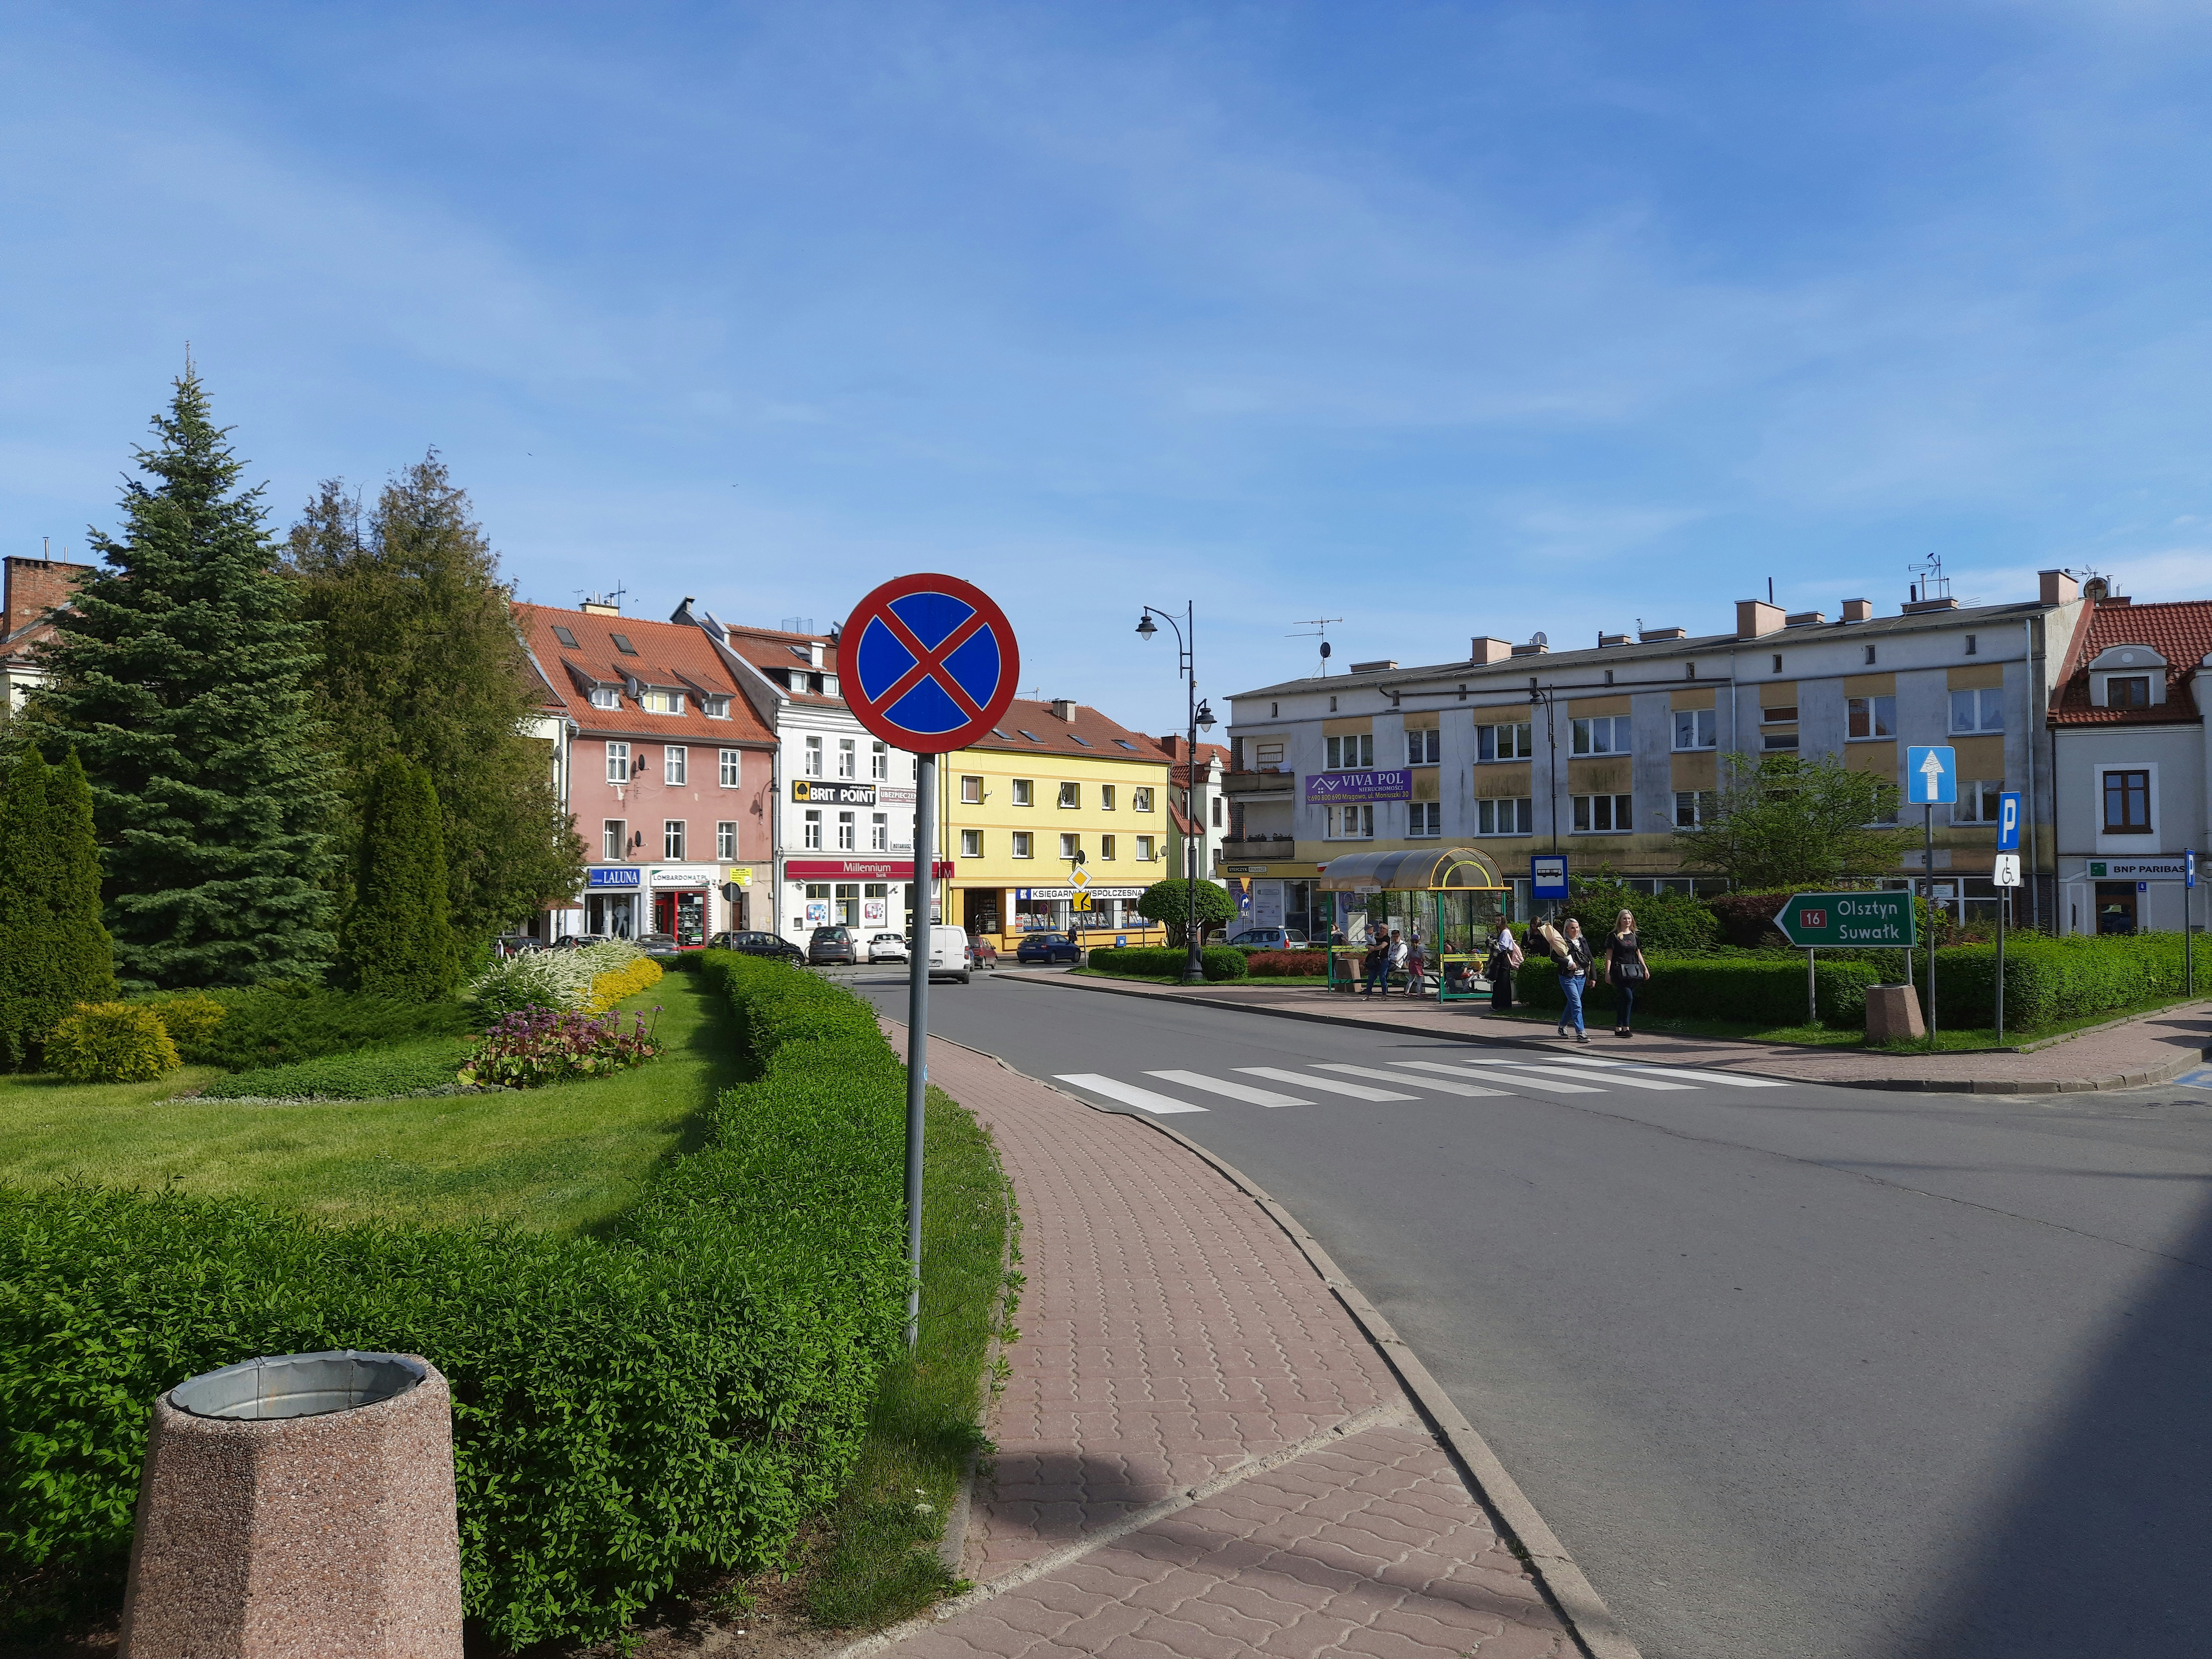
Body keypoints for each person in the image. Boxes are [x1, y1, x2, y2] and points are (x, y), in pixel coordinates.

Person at [1605, 908, 1652, 1037]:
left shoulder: (1634, 936)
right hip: (1619, 971)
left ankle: (1619, 1028)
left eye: (1629, 919)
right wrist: (1607, 973)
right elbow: (1609, 956)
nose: (1627, 921)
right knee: (1628, 998)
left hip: (1633, 971)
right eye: (1625, 919)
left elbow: (1638, 953)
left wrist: (1645, 968)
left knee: (1624, 999)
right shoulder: (1614, 936)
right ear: (1620, 920)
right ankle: (1626, 1027)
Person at [1554, 918, 1593, 1043]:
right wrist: (1568, 963)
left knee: (1573, 1003)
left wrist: (1593, 977)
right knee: (1577, 1004)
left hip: (1582, 977)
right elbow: (1554, 957)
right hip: (1568, 977)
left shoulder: (1583, 941)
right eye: (1573, 928)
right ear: (1567, 929)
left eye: (1577, 928)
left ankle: (1562, 1025)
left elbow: (1590, 958)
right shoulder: (1563, 942)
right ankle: (1581, 1033)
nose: (1576, 930)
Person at [1487, 926, 1522, 1013]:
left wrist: (1495, 945)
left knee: (1503, 982)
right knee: (1500, 982)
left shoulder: (1505, 933)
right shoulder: (1504, 933)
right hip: (1503, 959)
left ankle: (1502, 1005)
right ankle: (1498, 1005)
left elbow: (1503, 947)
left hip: (1504, 959)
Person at [1404, 930, 1427, 997]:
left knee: (1411, 979)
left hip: (1412, 964)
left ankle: (1407, 992)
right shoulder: (1421, 948)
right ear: (1419, 941)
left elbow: (1409, 957)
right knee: (1420, 980)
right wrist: (1422, 962)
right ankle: (1419, 993)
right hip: (1418, 965)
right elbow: (1423, 958)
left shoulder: (1410, 949)